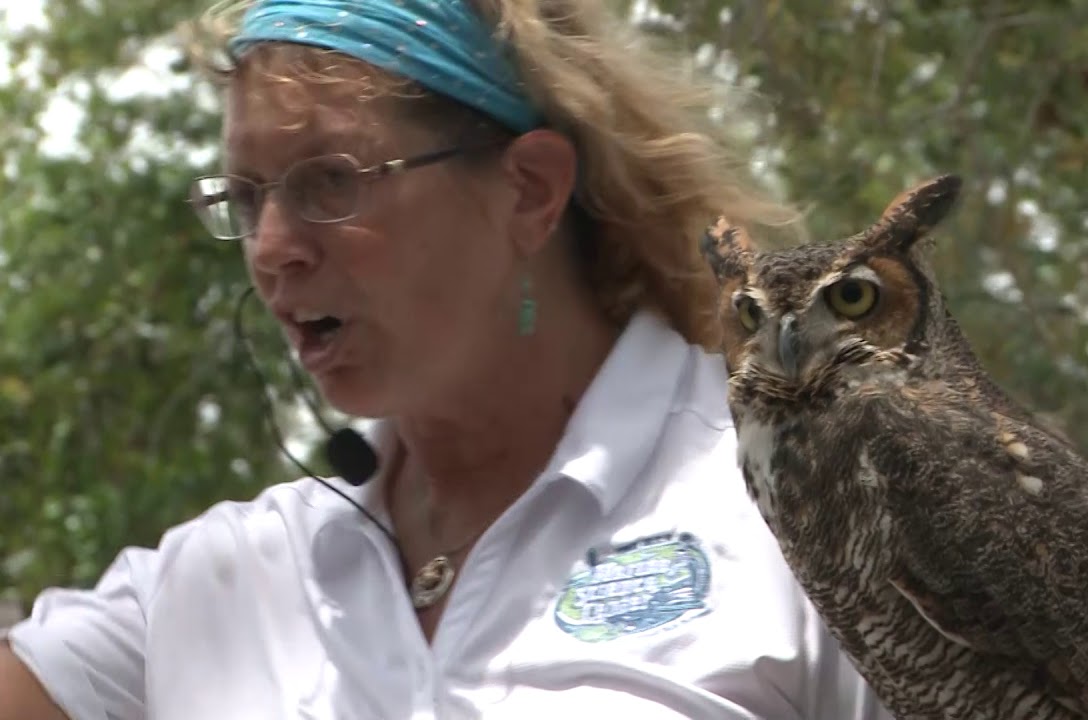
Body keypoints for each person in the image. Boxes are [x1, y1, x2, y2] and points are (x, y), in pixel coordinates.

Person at [0, 0, 896, 717]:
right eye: (244, 194)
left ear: (530, 191)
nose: (271, 247)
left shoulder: (813, 505)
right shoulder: (223, 585)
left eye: (329, 181)